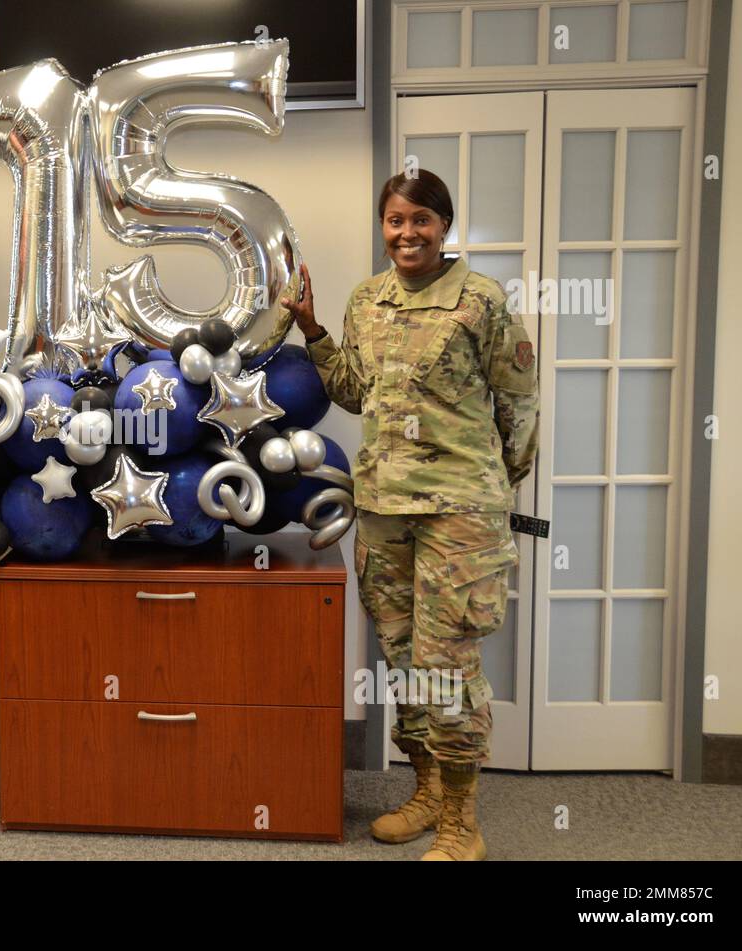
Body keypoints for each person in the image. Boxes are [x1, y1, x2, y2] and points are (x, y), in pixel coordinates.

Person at [283, 169, 539, 861]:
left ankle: (462, 821)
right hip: (385, 509)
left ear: (443, 226)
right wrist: (311, 329)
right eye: (396, 220)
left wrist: (489, 486)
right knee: (404, 661)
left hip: (460, 513)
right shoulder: (368, 300)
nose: (407, 232)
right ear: (384, 225)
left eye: (421, 220)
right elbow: (355, 393)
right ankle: (426, 790)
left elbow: (520, 407)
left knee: (446, 663)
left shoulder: (482, 301)